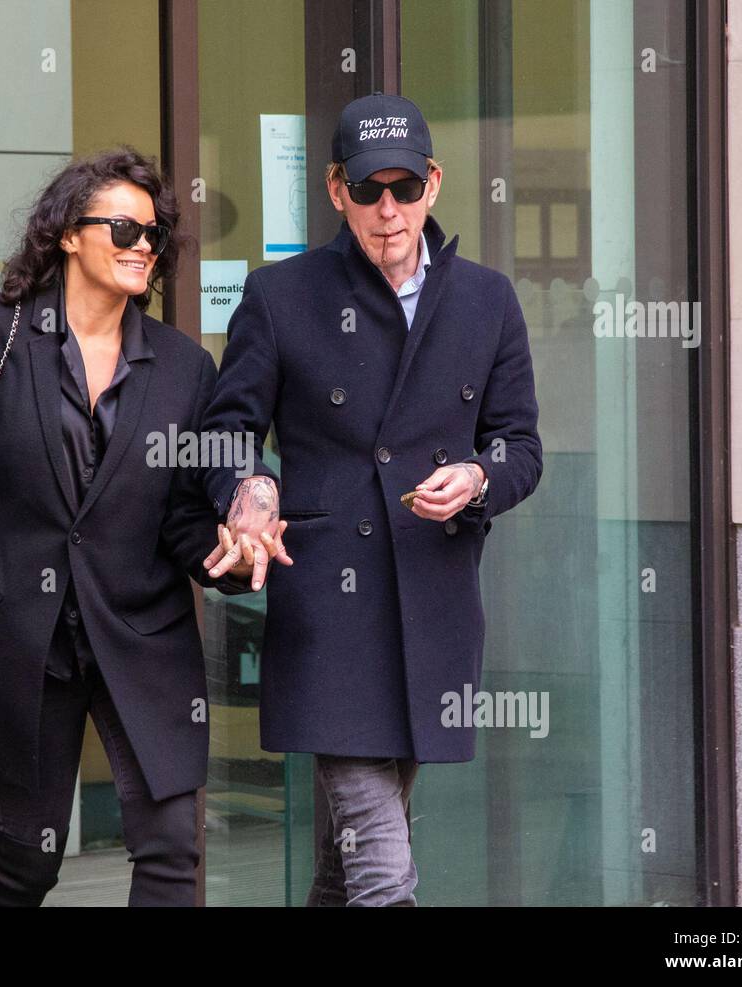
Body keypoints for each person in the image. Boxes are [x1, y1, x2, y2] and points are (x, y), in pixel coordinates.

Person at [0, 148, 282, 907]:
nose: (142, 247)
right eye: (124, 229)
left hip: (142, 634)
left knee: (171, 849)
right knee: (30, 858)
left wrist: (229, 554)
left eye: (154, 235)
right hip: (19, 636)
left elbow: (181, 518)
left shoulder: (183, 367)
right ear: (68, 233)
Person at [203, 93, 543, 906]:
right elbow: (226, 429)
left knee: (344, 865)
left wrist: (479, 480)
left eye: (403, 187)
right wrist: (250, 488)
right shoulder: (280, 295)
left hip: (433, 603)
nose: (387, 211)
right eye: (367, 190)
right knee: (386, 875)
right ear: (334, 190)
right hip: (328, 608)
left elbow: (521, 446)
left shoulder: (488, 300)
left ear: (434, 182)